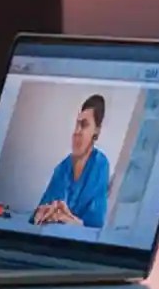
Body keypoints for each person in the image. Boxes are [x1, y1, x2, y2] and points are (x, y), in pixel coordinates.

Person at [31, 94, 111, 228]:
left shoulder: (100, 165)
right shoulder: (61, 169)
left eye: (84, 125)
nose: (76, 132)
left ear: (96, 131)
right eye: (77, 125)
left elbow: (94, 227)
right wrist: (41, 214)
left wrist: (71, 221)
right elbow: (42, 210)